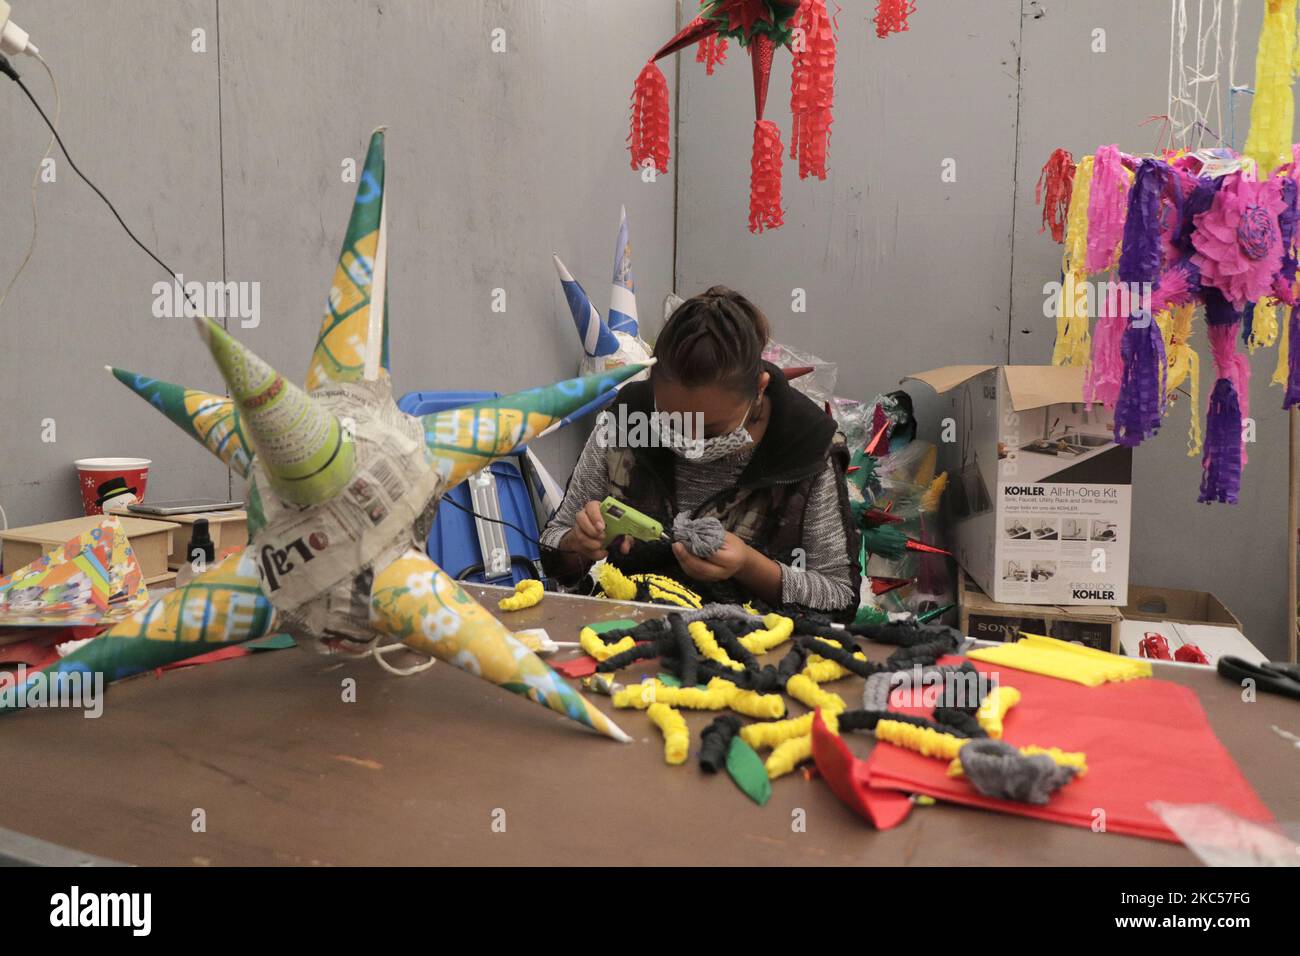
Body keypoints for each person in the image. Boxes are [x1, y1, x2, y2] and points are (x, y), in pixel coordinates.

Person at [540, 286, 859, 618]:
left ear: (759, 389)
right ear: (652, 380)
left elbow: (839, 597)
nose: (689, 442)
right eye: (672, 423)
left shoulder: (806, 448)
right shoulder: (626, 421)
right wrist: (577, 543)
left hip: (752, 653)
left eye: (709, 430)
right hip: (628, 634)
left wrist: (749, 565)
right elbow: (553, 544)